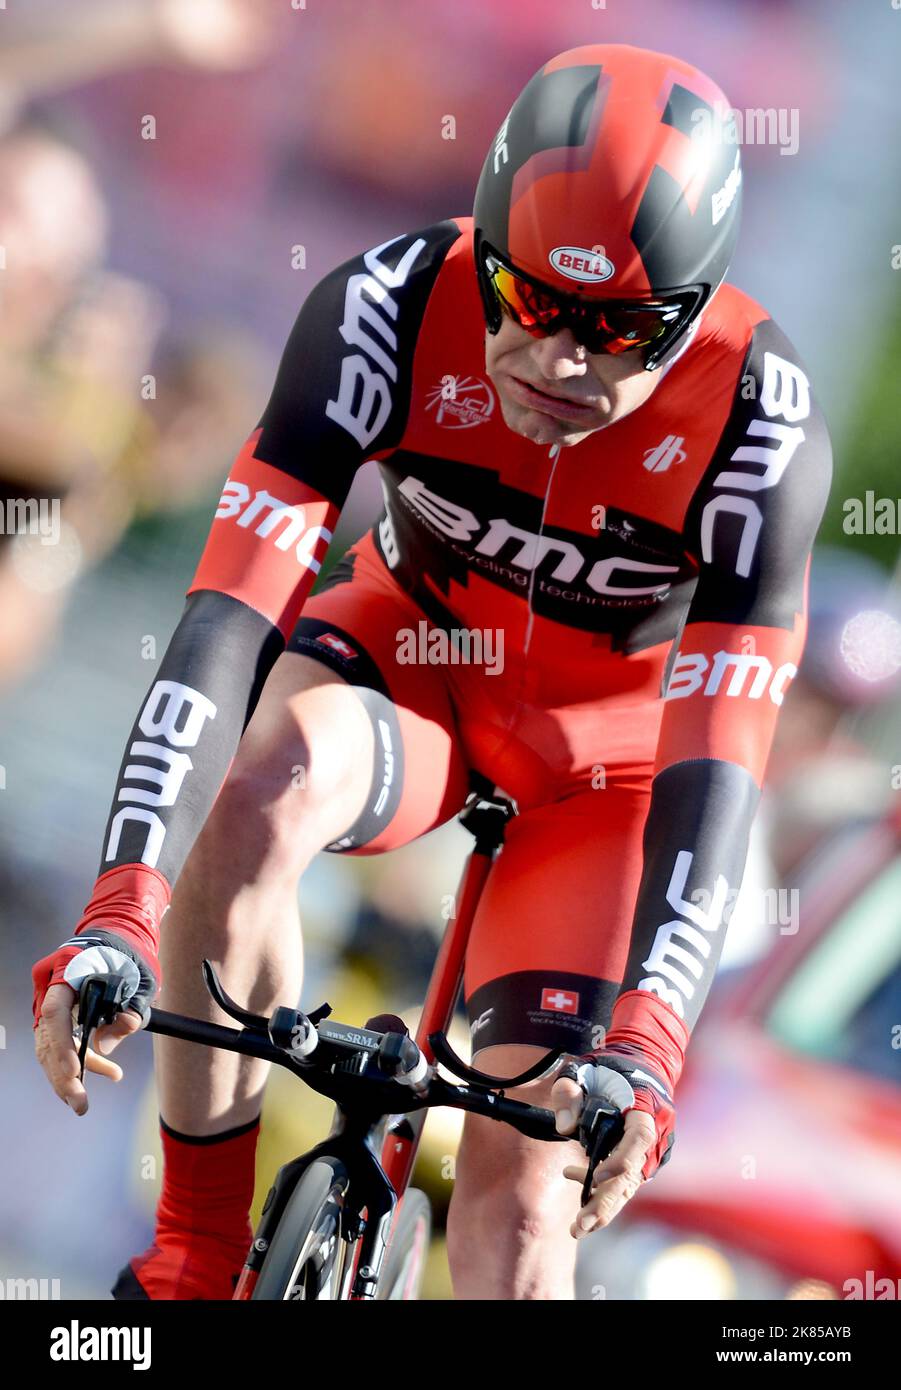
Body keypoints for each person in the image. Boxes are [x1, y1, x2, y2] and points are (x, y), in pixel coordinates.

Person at [32, 44, 832, 1301]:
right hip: (413, 672)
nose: (562, 361)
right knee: (258, 795)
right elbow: (230, 618)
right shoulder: (387, 306)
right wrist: (124, 902)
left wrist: (648, 1043)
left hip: (605, 769)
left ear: (692, 312)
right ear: (485, 247)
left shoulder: (756, 423)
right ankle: (191, 1250)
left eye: (621, 329)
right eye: (528, 300)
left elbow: (719, 760)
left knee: (518, 1209)